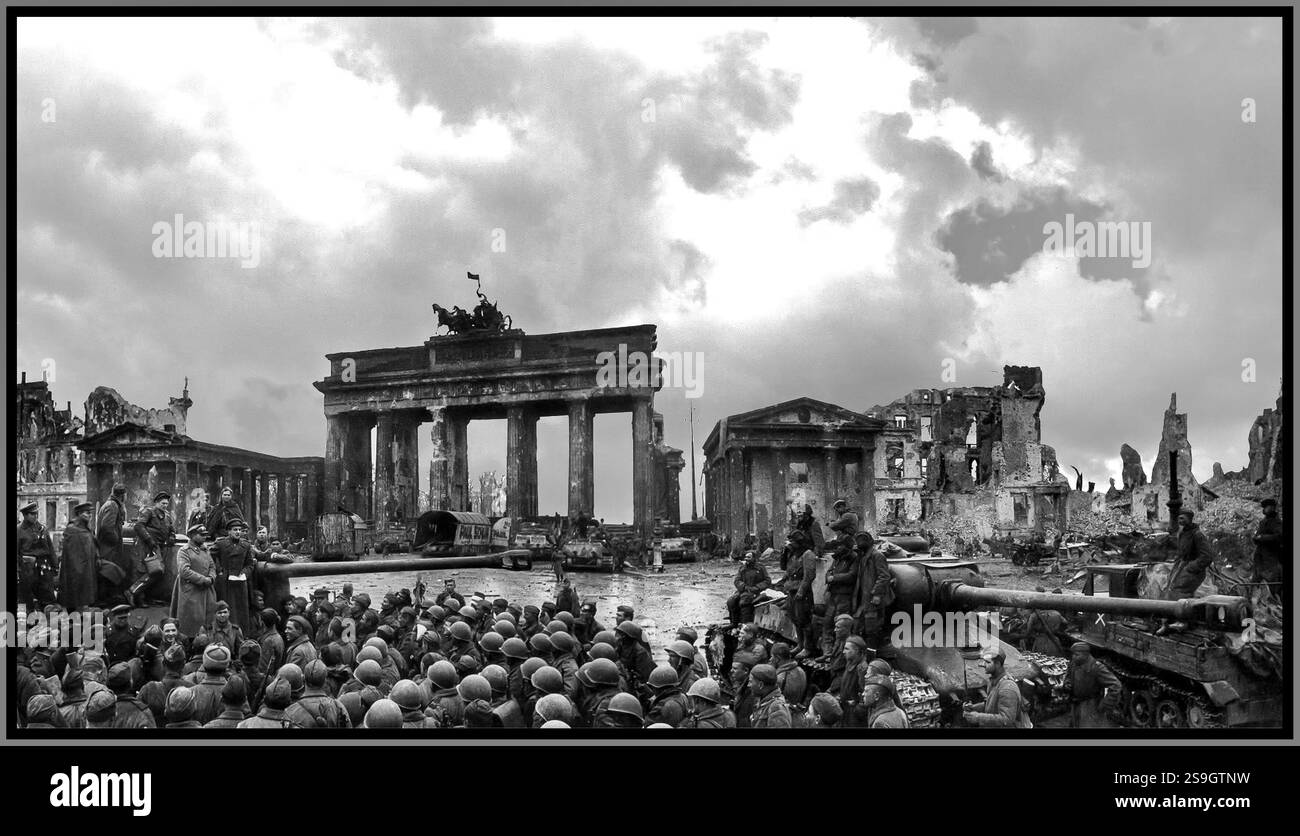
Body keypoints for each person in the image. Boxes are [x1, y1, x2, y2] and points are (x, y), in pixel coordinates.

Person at [1158, 510, 1216, 634]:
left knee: (1181, 592)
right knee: (1169, 591)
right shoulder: (1183, 533)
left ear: (1190, 519)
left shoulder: (1197, 534)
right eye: (1179, 518)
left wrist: (1191, 567)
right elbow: (1181, 552)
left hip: (1193, 570)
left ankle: (1183, 622)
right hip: (1181, 566)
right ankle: (1166, 624)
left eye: (1183, 518)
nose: (1180, 521)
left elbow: (1207, 556)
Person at [1059, 642, 1122, 728]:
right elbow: (1069, 676)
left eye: (1076, 655)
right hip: (1076, 704)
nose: (1073, 657)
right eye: (1073, 654)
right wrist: (1067, 684)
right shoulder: (1073, 663)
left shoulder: (1097, 668)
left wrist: (1105, 705)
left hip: (1090, 706)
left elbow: (1116, 685)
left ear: (1085, 655)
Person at [962, 650, 1031, 728]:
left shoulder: (1007, 688)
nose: (983, 665)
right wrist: (973, 707)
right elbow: (990, 704)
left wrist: (978, 717)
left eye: (987, 662)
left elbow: (1007, 719)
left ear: (997, 664)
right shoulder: (993, 681)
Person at [210, 520, 257, 633]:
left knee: (242, 610)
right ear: (229, 531)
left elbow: (250, 564)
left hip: (240, 582)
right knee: (226, 608)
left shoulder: (245, 545)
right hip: (225, 582)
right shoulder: (221, 544)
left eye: (240, 530)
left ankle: (242, 634)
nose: (238, 532)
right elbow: (210, 557)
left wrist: (244, 573)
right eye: (235, 530)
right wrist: (219, 570)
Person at [170, 524, 217, 636]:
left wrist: (211, 578)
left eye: (205, 535)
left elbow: (212, 566)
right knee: (190, 621)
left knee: (208, 619)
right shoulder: (184, 551)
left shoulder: (205, 549)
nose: (204, 537)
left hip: (206, 590)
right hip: (191, 590)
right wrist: (203, 580)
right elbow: (184, 570)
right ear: (192, 535)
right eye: (201, 535)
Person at [131, 491, 176, 607]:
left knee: (155, 572)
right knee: (151, 571)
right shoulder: (149, 512)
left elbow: (172, 530)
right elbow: (138, 526)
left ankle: (139, 594)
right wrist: (149, 539)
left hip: (159, 547)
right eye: (162, 503)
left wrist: (171, 537)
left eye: (166, 504)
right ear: (156, 503)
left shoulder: (168, 516)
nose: (165, 506)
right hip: (147, 546)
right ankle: (135, 593)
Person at [781, 530, 820, 658]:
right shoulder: (793, 555)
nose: (790, 544)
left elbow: (809, 575)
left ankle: (808, 648)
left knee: (804, 620)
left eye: (793, 541)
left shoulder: (808, 554)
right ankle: (800, 644)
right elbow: (786, 570)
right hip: (791, 591)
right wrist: (784, 553)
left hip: (802, 592)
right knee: (795, 619)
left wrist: (801, 591)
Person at [55, 502, 96, 612]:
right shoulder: (72, 529)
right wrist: (79, 566)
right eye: (87, 513)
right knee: (75, 590)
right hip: (75, 567)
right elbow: (71, 553)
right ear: (79, 514)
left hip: (87, 565)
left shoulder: (86, 528)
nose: (90, 516)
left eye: (90, 513)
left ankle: (82, 608)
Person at [96, 484, 130, 601]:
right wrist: (116, 541)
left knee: (109, 572)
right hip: (109, 547)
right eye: (126, 494)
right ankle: (105, 599)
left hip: (107, 545)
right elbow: (107, 527)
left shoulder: (112, 504)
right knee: (108, 573)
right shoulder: (113, 506)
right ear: (122, 495)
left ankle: (107, 597)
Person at [1252, 498, 1284, 605]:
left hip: (1271, 559)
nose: (1264, 509)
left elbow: (1279, 537)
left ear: (1272, 508)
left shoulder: (1277, 522)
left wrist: (1262, 538)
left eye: (1267, 507)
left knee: (1272, 584)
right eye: (1264, 507)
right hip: (1260, 558)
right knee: (1257, 582)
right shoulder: (1263, 521)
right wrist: (1256, 538)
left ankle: (1273, 604)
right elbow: (1258, 535)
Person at [727, 551, 771, 625]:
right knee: (731, 601)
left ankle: (746, 624)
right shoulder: (742, 568)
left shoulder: (760, 568)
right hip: (743, 590)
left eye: (749, 557)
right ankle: (734, 623)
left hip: (756, 591)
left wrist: (756, 587)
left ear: (754, 558)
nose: (746, 559)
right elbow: (737, 580)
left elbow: (767, 581)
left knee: (744, 602)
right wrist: (744, 586)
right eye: (746, 557)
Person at [747, 664, 791, 728]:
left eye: (750, 682)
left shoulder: (776, 707)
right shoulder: (763, 701)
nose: (748, 685)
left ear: (760, 685)